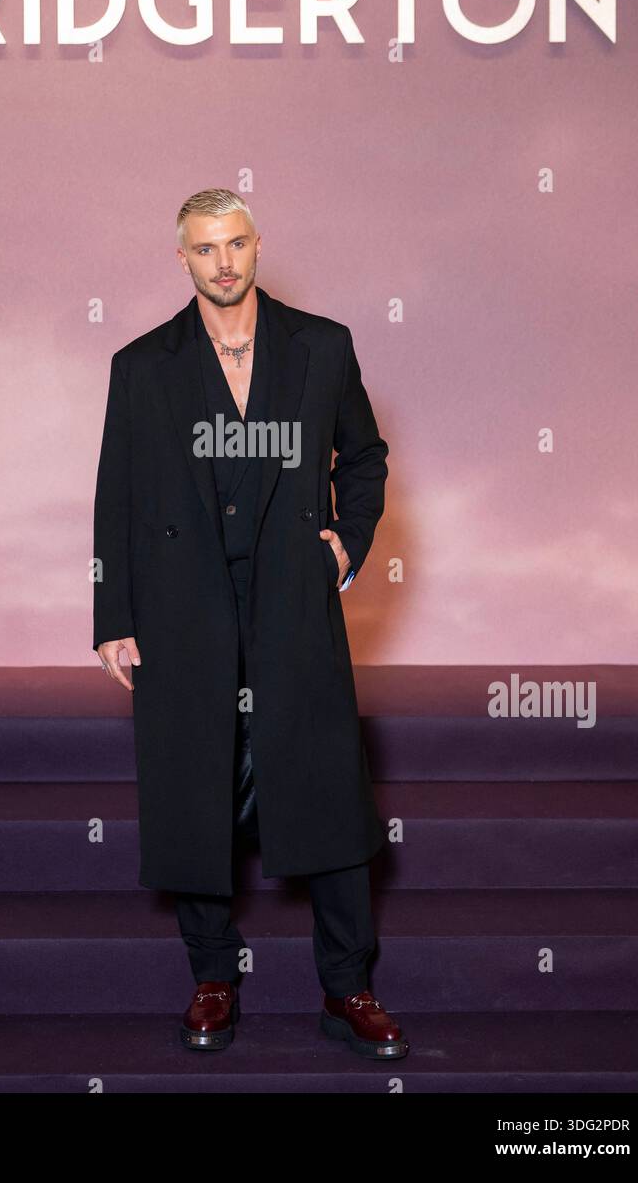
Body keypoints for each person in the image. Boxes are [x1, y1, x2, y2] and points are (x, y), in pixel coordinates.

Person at [93, 188, 408, 1060]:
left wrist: (345, 542)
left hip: (292, 601)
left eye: (235, 245)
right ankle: (211, 980)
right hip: (180, 604)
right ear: (182, 258)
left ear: (257, 246)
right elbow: (115, 495)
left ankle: (348, 989)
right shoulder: (141, 364)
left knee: (328, 789)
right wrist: (112, 616)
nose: (223, 263)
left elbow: (367, 456)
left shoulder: (323, 346)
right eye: (205, 250)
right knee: (194, 787)